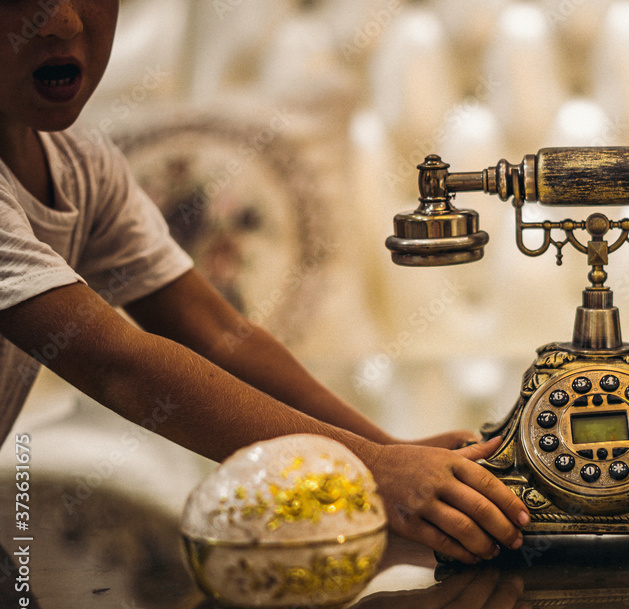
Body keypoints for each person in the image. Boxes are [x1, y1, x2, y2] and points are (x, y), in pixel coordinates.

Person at [0, 0, 527, 565]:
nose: (62, 21)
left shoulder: (82, 165)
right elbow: (117, 362)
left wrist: (386, 451)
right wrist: (369, 469)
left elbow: (216, 330)